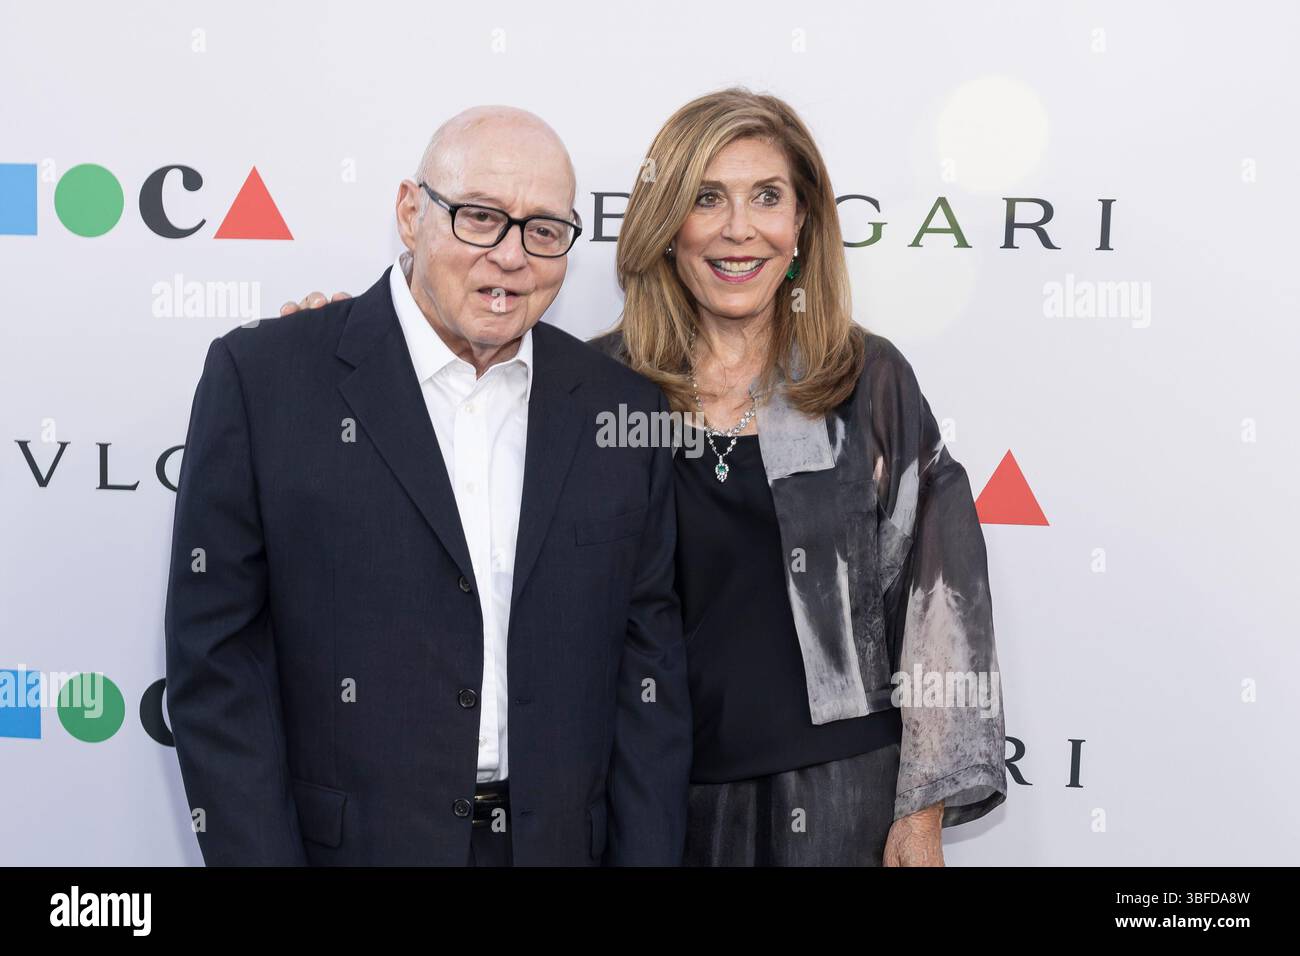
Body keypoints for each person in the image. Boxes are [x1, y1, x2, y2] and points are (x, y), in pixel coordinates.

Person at [284, 88, 1008, 866]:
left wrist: (921, 812)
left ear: (802, 225)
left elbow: (941, 600)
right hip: (652, 802)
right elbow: (454, 470)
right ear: (668, 227)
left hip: (842, 801)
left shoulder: (864, 380)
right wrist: (327, 352)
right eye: (706, 198)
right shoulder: (590, 387)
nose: (739, 229)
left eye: (767, 196)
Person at [164, 106, 692, 867]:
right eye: (480, 217)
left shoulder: (621, 410)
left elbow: (650, 683)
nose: (511, 256)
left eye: (543, 230)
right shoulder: (267, 381)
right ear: (411, 214)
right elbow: (216, 667)